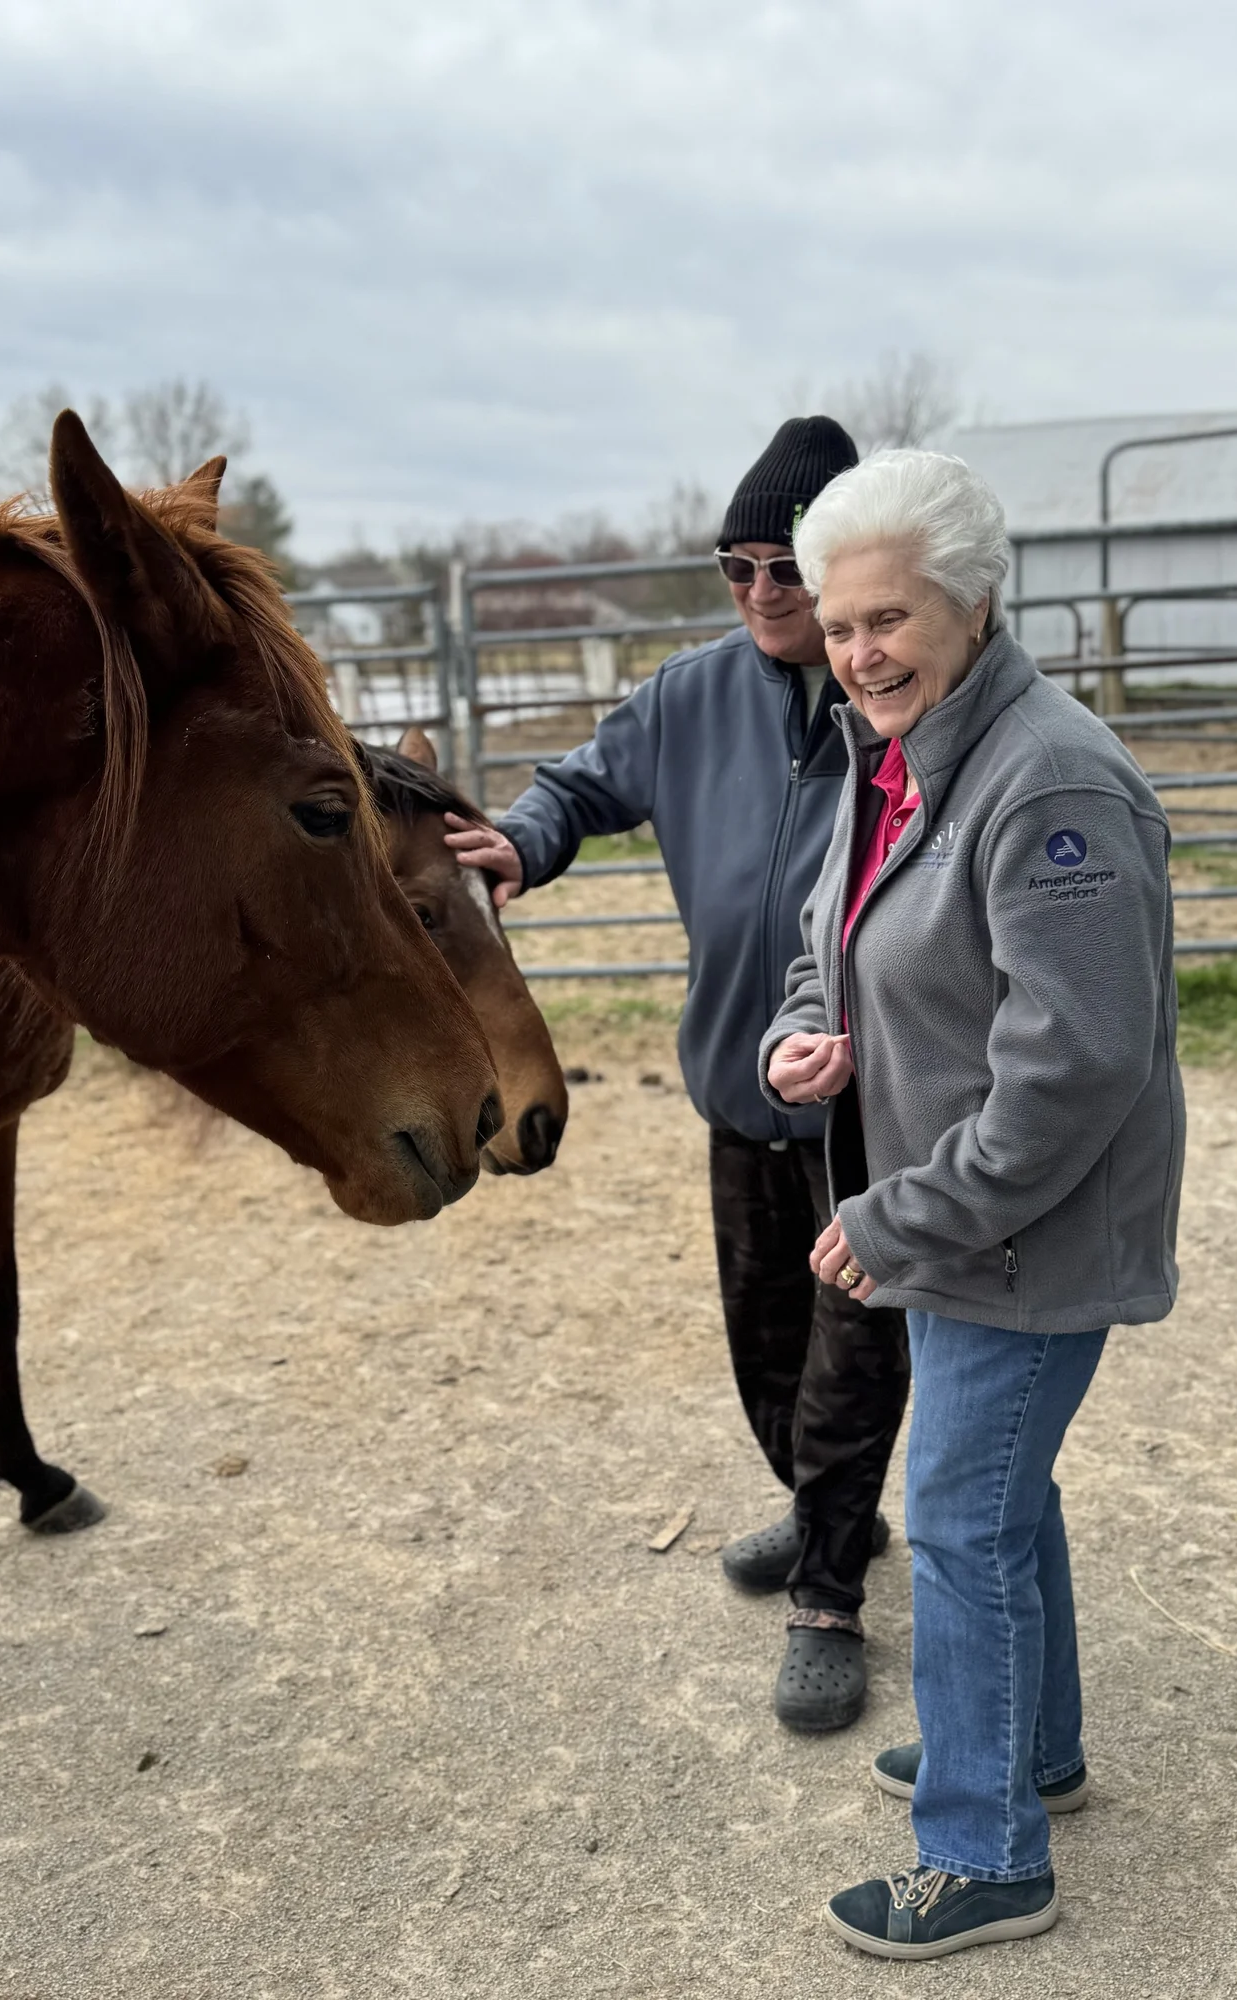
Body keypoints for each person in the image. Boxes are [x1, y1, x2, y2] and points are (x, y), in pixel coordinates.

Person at [761, 448, 1184, 1959]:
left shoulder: (1047, 778)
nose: (857, 650)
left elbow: (1070, 1071)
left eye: (889, 617)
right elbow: (839, 944)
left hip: (1019, 1230)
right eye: (836, 618)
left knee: (955, 1513)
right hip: (960, 1223)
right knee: (998, 1499)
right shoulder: (907, 751)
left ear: (974, 601)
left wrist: (896, 1218)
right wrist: (804, 1041)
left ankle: (988, 1851)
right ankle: (1024, 1755)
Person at [444, 417, 910, 1732]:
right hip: (736, 1091)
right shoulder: (692, 695)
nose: (764, 593)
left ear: (846, 564)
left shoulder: (900, 700)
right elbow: (582, 784)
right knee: (765, 1350)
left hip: (869, 1106)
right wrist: (521, 846)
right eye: (737, 565)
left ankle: (827, 1590)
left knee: (853, 1355)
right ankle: (831, 1502)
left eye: (790, 566)